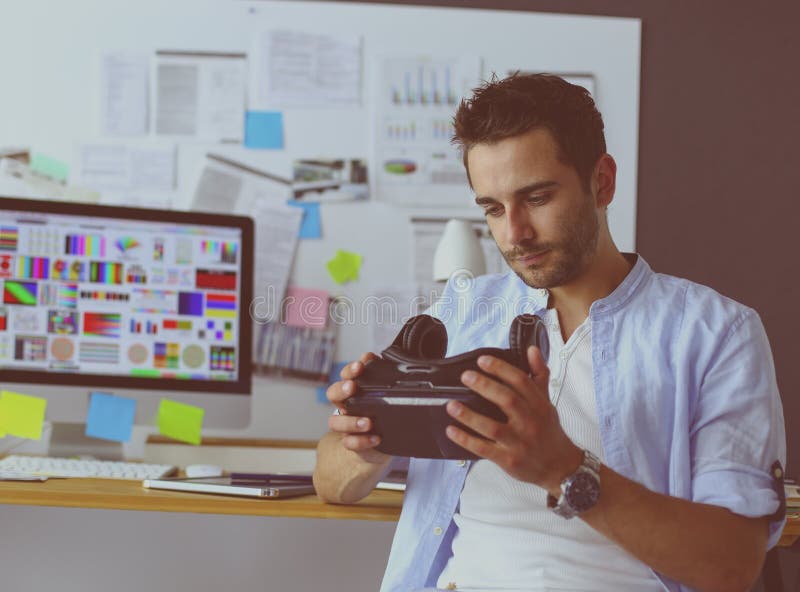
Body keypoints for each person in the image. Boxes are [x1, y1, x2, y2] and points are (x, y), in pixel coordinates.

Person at [312, 73, 786, 592]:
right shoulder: (461, 312)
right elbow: (331, 483)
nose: (514, 233)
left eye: (536, 198)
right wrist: (369, 440)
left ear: (602, 182)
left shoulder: (716, 334)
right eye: (493, 209)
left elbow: (733, 565)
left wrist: (564, 469)